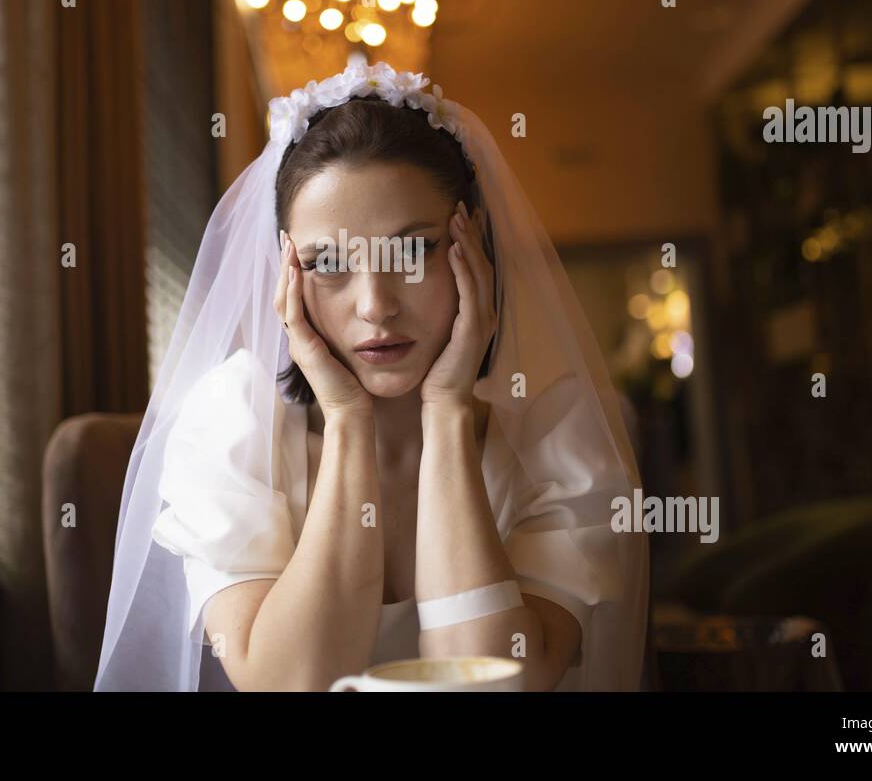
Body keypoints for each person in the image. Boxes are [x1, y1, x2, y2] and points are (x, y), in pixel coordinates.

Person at [94, 59, 649, 691]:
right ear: (285, 277)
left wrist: (445, 412)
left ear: (476, 250)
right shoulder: (233, 434)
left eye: (412, 251)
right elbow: (293, 685)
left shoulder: (557, 448)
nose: (375, 306)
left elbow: (494, 687)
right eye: (327, 261)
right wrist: (347, 421)